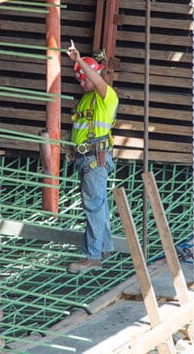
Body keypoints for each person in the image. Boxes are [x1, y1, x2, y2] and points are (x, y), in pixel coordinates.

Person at [66, 41, 119, 274]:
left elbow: (97, 81)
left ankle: (92, 257)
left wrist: (79, 60)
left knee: (94, 207)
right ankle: (104, 248)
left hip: (95, 159)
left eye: (84, 79)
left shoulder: (107, 97)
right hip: (86, 159)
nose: (82, 83)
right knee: (99, 206)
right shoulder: (87, 99)